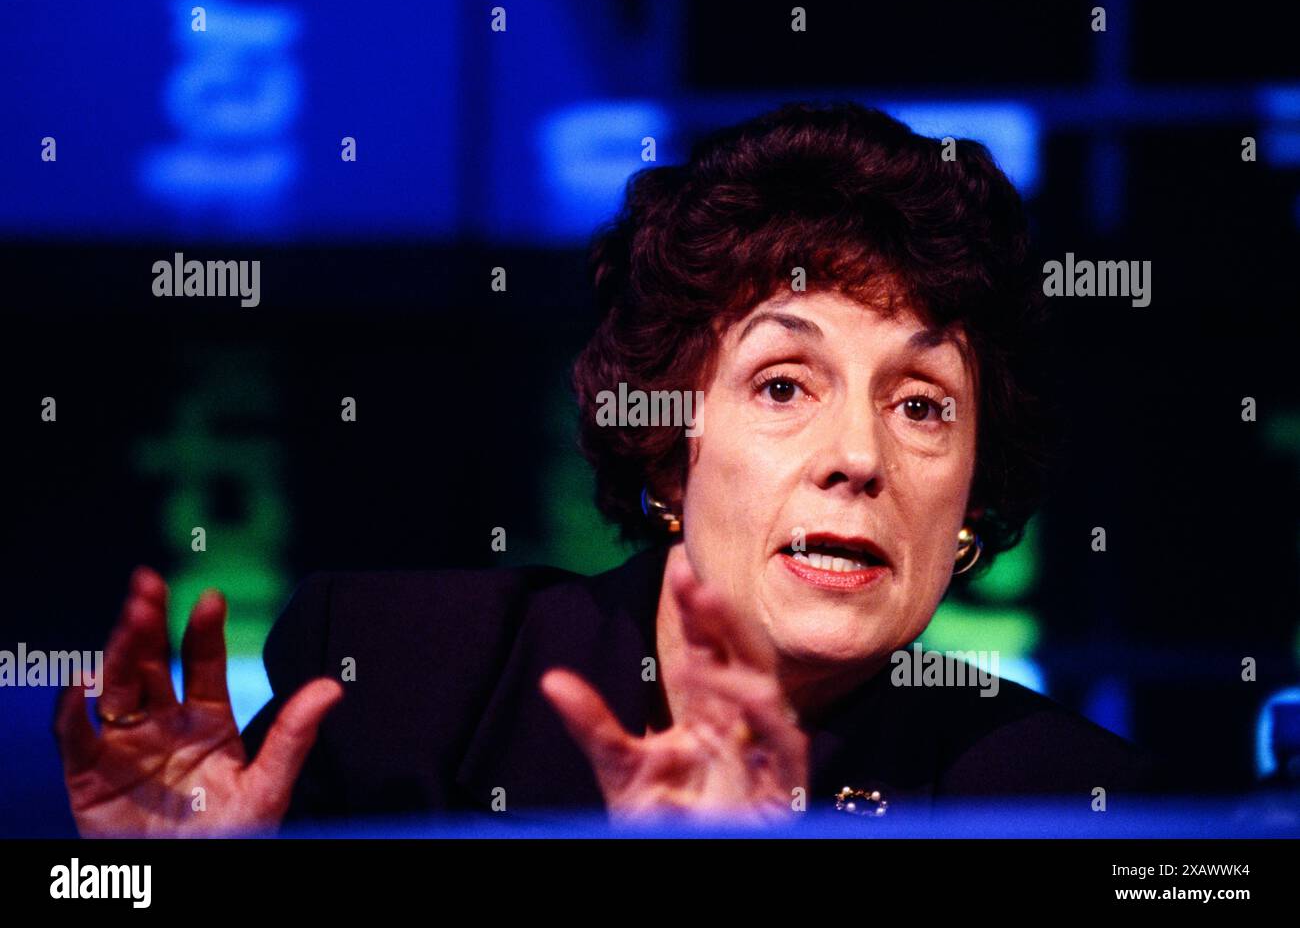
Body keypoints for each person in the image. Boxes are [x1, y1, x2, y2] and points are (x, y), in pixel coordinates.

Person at [54, 102, 1155, 836]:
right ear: (667, 453)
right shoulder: (409, 683)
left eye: (921, 406)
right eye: (782, 386)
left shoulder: (1060, 799)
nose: (859, 459)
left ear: (969, 501)